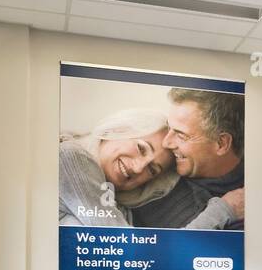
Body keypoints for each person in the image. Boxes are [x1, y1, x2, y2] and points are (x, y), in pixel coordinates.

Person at [58, 109, 236, 229]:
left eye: (152, 170)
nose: (138, 168)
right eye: (141, 148)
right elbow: (129, 251)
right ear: (118, 129)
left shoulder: (120, 209)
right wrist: (224, 209)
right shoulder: (73, 156)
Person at [135, 87, 245, 230]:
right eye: (169, 128)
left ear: (221, 143)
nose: (166, 143)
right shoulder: (159, 201)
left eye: (181, 135)